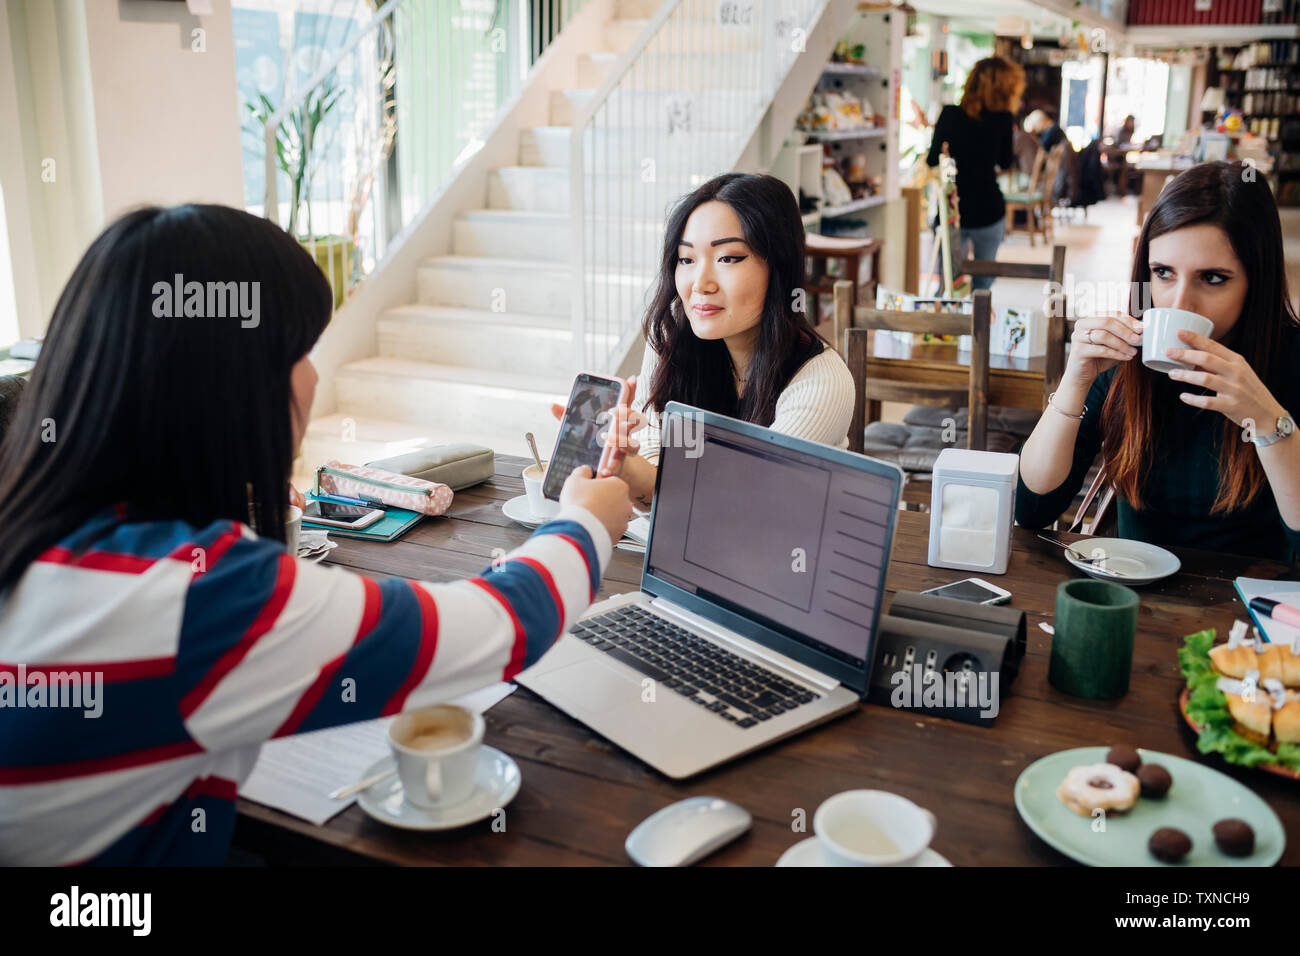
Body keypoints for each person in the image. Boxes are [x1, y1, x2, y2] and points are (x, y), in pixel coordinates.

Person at [0, 205, 634, 865]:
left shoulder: (44, 535)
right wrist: (586, 519)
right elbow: (504, 624)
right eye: (299, 352)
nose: (312, 376)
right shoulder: (204, 597)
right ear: (229, 387)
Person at [1016, 162, 1300, 562]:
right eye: (1163, 273)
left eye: (1213, 278)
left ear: (1258, 279)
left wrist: (1272, 425)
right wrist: (1073, 382)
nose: (1179, 302)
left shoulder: (1290, 361)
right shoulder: (1127, 357)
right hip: (1134, 600)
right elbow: (1032, 511)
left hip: (1247, 613)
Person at [563, 173, 854, 511]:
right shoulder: (673, 345)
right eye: (687, 259)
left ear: (779, 266)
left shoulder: (821, 382)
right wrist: (622, 462)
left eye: (728, 258)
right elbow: (661, 482)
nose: (700, 283)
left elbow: (743, 506)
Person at [926, 56, 1026, 291]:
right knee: (983, 286)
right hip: (988, 208)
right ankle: (978, 327)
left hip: (953, 209)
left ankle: (947, 327)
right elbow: (1005, 162)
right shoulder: (1003, 119)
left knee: (949, 284)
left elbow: (932, 159)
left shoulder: (949, 114)